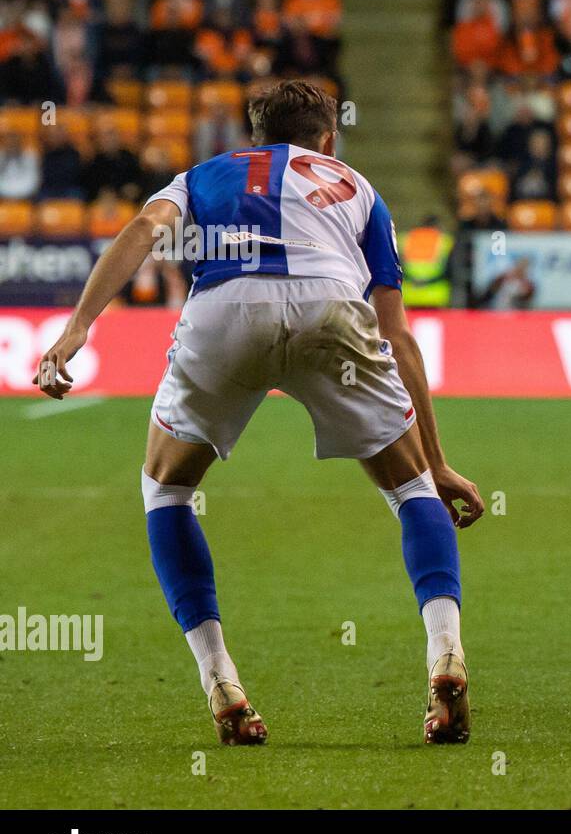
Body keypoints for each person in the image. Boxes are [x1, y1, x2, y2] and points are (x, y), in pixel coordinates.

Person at [33, 81, 485, 745]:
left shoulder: (202, 176)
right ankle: (445, 655)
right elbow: (398, 335)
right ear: (327, 140)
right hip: (330, 308)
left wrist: (77, 329)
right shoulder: (357, 188)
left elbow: (141, 231)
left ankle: (221, 681)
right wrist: (437, 461)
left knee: (166, 491)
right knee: (412, 487)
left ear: (255, 136)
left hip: (226, 308)